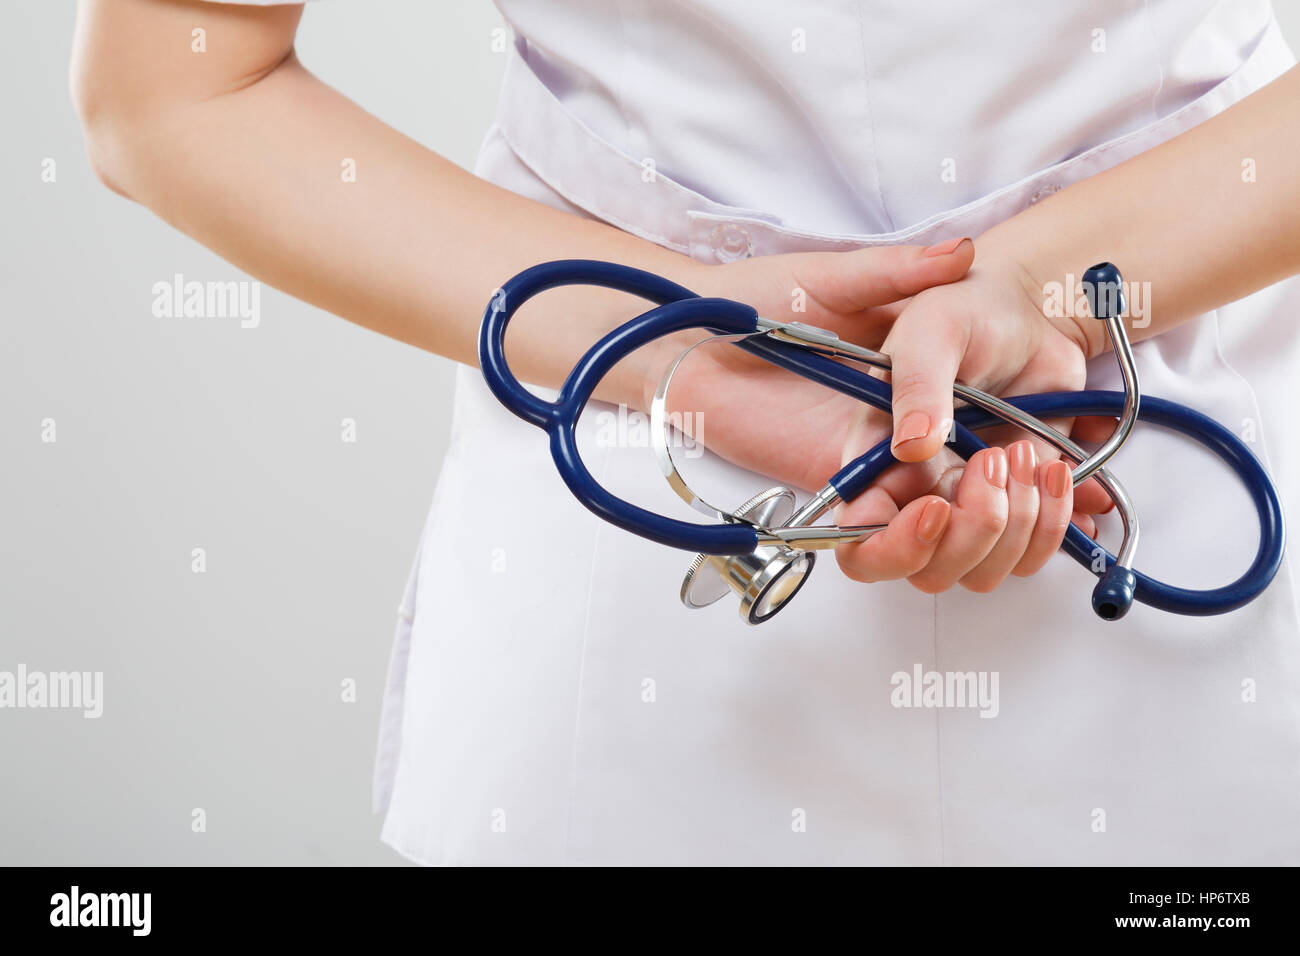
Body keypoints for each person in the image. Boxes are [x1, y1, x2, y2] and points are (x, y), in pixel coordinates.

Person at [72, 0, 1300, 865]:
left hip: (645, 494)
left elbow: (177, 88)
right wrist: (711, 356)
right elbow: (168, 97)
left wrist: (696, 345)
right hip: (659, 544)